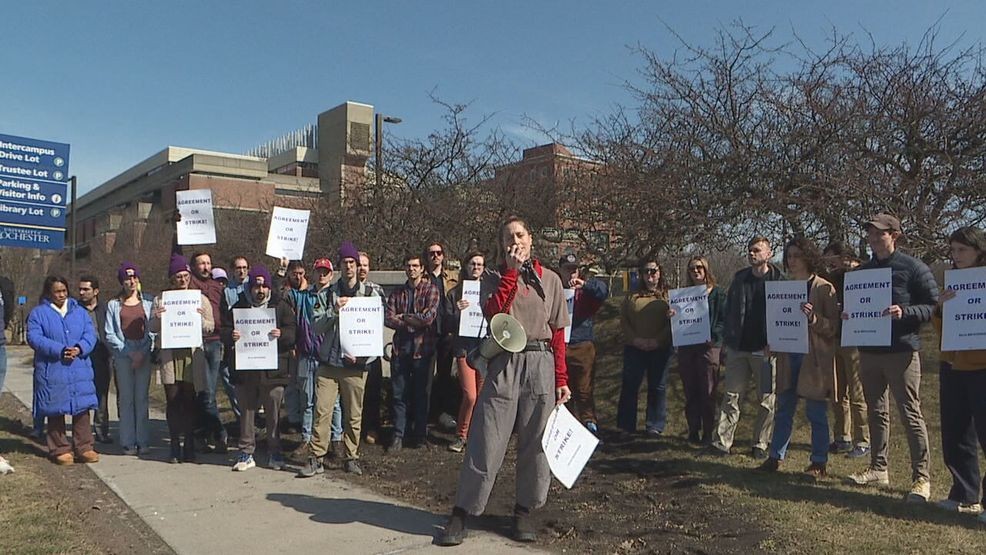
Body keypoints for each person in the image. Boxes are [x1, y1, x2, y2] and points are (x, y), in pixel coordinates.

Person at [437, 216, 571, 546]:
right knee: (487, 437)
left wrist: (561, 377)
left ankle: (524, 510)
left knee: (536, 441)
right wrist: (511, 274)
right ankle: (463, 511)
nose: (516, 241)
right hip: (505, 360)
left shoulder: (550, 280)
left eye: (521, 234)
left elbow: (557, 334)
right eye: (509, 237)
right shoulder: (494, 278)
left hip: (540, 363)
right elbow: (495, 313)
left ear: (531, 238)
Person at [846, 214, 937, 503]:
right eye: (870, 234)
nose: (874, 239)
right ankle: (878, 468)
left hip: (901, 351)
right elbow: (856, 306)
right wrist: (849, 316)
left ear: (894, 235)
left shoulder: (913, 267)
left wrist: (905, 312)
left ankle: (921, 479)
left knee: (910, 414)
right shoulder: (863, 272)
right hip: (870, 352)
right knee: (876, 412)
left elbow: (933, 306)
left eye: (880, 234)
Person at [298, 242, 383, 477]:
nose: (348, 266)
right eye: (344, 263)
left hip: (356, 366)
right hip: (329, 364)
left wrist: (363, 355)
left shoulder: (371, 294)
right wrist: (334, 310)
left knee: (354, 415)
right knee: (322, 412)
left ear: (358, 266)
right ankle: (316, 457)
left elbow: (375, 331)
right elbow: (315, 326)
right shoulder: (327, 294)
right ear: (339, 266)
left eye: (352, 262)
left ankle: (351, 456)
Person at [757, 238, 838, 478]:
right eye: (789, 256)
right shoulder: (784, 287)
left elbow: (833, 327)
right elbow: (779, 323)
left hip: (813, 359)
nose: (792, 261)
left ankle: (819, 462)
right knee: (784, 409)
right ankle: (775, 456)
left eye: (797, 255)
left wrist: (814, 319)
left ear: (808, 257)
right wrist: (773, 342)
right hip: (787, 356)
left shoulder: (824, 288)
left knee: (815, 411)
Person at [709, 236, 784, 459]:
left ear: (769, 254)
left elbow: (785, 315)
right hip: (738, 348)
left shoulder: (780, 280)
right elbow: (730, 312)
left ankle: (760, 443)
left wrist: (777, 341)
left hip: (766, 350)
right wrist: (726, 342)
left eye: (757, 250)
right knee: (731, 396)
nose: (752, 254)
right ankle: (722, 442)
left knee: (766, 400)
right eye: (750, 250)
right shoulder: (740, 278)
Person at [932, 226, 986, 519]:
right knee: (955, 433)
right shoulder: (951, 283)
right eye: (952, 250)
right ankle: (964, 493)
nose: (956, 256)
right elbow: (942, 333)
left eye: (962, 250)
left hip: (982, 368)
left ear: (979, 250)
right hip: (952, 366)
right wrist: (940, 310)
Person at [222, 265, 296, 471]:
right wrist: (231, 336)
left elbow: (293, 331)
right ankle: (246, 452)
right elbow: (224, 332)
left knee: (273, 414)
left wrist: (282, 334)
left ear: (269, 288)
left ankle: (275, 451)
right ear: (250, 287)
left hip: (274, 371)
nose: (260, 290)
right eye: (256, 286)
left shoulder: (280, 307)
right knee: (247, 412)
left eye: (263, 286)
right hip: (246, 371)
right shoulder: (239, 307)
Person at [27, 275, 100, 465]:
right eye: (57, 292)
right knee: (55, 409)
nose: (61, 295)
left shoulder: (79, 311)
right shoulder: (38, 313)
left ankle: (84, 446)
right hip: (53, 368)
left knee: (81, 409)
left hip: (79, 367)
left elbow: (90, 334)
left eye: (64, 291)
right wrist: (59, 350)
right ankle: (59, 448)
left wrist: (80, 348)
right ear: (49, 293)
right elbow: (34, 338)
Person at [149, 254, 215, 463]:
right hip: (170, 356)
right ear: (172, 279)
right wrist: (157, 319)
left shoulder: (199, 299)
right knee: (173, 400)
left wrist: (199, 318)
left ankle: (189, 444)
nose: (182, 280)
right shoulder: (161, 299)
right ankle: (175, 445)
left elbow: (210, 326)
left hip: (191, 355)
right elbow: (150, 327)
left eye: (185, 275)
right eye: (178, 276)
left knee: (190, 401)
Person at [385, 254, 441, 451]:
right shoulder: (397, 292)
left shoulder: (431, 290)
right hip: (401, 349)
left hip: (422, 349)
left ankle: (419, 436)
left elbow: (428, 318)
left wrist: (405, 318)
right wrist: (412, 322)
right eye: (408, 266)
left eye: (415, 266)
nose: (412, 269)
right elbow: (389, 318)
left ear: (422, 269)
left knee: (420, 394)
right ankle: (398, 435)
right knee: (399, 394)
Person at [670, 255, 726, 444]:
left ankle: (709, 432)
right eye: (692, 268)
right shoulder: (683, 295)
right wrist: (673, 315)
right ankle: (693, 429)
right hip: (687, 347)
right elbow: (680, 320)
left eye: (699, 267)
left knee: (708, 390)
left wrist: (714, 336)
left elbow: (723, 321)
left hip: (709, 348)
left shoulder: (718, 294)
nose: (696, 271)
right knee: (690, 390)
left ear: (707, 270)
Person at [822, 241, 870, 458]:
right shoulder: (830, 281)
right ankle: (842, 436)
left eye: (831, 258)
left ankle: (864, 440)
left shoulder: (861, 277)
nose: (829, 263)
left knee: (857, 393)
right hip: (835, 339)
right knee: (838, 393)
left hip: (855, 342)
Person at [617, 258, 673, 436]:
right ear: (641, 275)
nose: (650, 275)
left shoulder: (668, 295)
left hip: (660, 348)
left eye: (654, 271)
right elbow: (624, 320)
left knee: (658, 387)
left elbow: (673, 323)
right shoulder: (631, 296)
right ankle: (626, 426)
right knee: (630, 386)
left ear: (660, 273)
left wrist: (658, 340)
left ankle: (654, 426)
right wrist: (635, 340)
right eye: (647, 271)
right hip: (635, 348)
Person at [105, 262, 154, 456]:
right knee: (126, 399)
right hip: (123, 354)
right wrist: (128, 352)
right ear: (122, 281)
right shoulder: (113, 305)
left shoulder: (149, 302)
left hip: (144, 351)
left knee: (141, 399)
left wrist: (142, 351)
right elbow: (110, 333)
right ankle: (128, 442)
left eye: (134, 277)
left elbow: (154, 330)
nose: (131, 281)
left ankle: (143, 440)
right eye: (127, 278)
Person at [443, 251, 489, 453]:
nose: (476, 267)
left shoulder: (489, 292)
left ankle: (478, 436)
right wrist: (457, 313)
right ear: (466, 266)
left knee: (483, 396)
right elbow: (446, 323)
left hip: (485, 349)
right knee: (470, 395)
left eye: (480, 264)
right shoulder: (455, 293)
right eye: (473, 264)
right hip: (464, 349)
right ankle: (461, 435)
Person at [560, 253, 609, 436]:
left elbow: (603, 291)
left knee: (584, 390)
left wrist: (585, 285)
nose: (571, 274)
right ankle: (567, 432)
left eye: (574, 270)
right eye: (568, 270)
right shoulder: (554, 289)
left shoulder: (586, 292)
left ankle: (590, 428)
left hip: (582, 346)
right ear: (561, 270)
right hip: (559, 346)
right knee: (563, 392)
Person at [187, 251, 228, 453]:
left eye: (208, 263)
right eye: (201, 263)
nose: (205, 267)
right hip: (195, 345)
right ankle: (216, 433)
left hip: (216, 343)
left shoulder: (217, 287)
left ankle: (208, 433)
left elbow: (225, 314)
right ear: (193, 267)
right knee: (203, 393)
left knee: (207, 393)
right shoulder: (188, 286)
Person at [425, 241, 461, 430]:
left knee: (445, 376)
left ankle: (444, 414)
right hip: (428, 335)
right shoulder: (423, 278)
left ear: (443, 256)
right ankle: (427, 414)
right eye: (432, 253)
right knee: (426, 377)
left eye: (439, 253)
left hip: (447, 333)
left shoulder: (453, 279)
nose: (435, 256)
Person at [78, 275, 113, 444]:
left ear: (96, 291)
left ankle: (101, 431)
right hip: (82, 358)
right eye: (80, 289)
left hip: (102, 356)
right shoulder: (75, 310)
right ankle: (83, 434)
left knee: (102, 396)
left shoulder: (105, 309)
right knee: (82, 395)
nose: (82, 292)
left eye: (86, 289)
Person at [357, 251, 387, 445]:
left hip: (371, 350)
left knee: (372, 392)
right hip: (351, 349)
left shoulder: (377, 290)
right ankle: (353, 429)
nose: (362, 268)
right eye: (359, 264)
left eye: (365, 265)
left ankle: (372, 427)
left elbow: (383, 316)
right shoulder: (345, 290)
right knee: (352, 394)